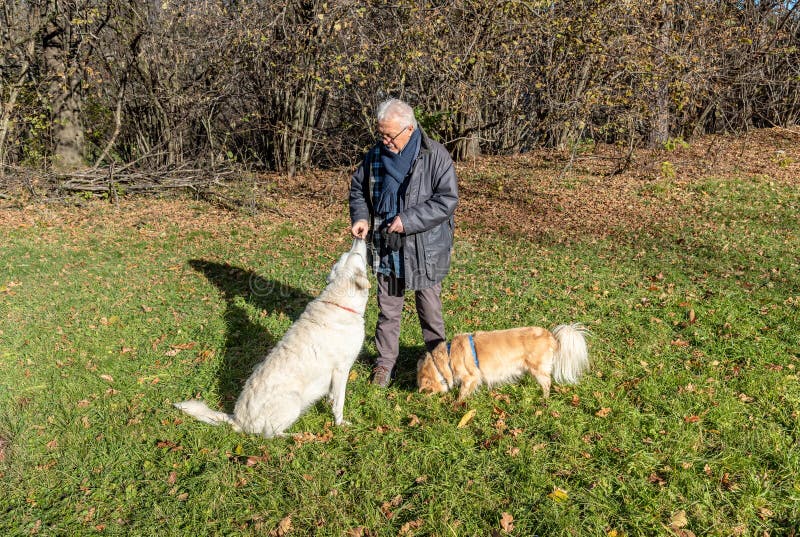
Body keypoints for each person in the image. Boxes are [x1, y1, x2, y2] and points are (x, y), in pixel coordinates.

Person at [349, 98, 459, 387]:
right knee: (388, 312)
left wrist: (408, 220)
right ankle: (385, 364)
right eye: (381, 134)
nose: (384, 140)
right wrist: (361, 217)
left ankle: (439, 363)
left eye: (390, 135)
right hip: (387, 247)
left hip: (425, 250)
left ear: (409, 129)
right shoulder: (374, 156)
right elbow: (359, 190)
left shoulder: (435, 155)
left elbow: (447, 200)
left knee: (430, 312)